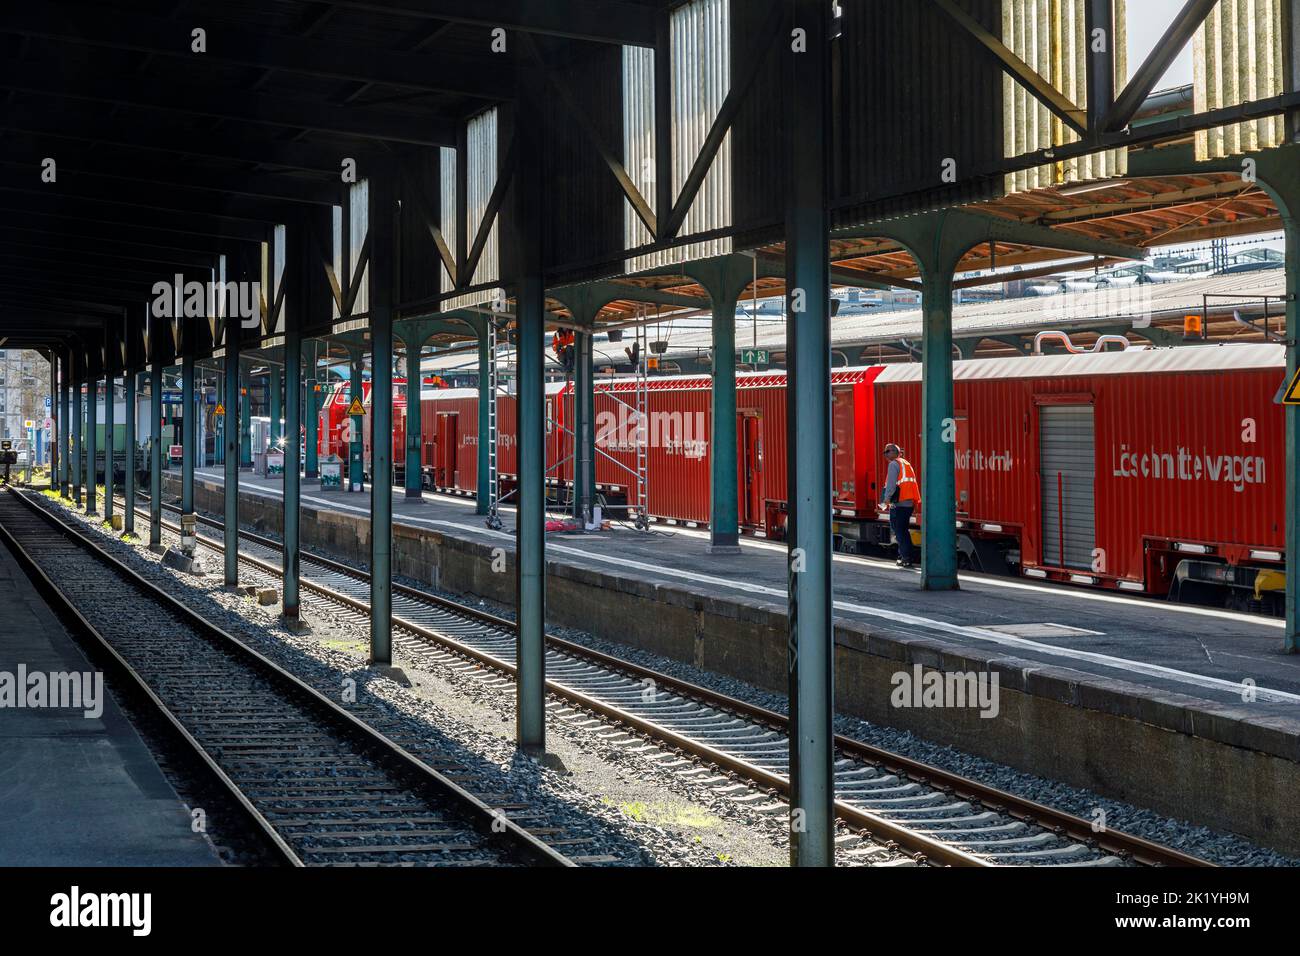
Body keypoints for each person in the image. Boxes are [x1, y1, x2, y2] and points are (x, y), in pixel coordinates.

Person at [879, 442, 920, 568]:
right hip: (908, 503)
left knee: (899, 531)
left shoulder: (893, 464)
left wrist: (886, 501)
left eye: (887, 451)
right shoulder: (905, 463)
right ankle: (905, 556)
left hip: (899, 503)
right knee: (903, 531)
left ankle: (906, 558)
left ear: (894, 452)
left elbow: (891, 486)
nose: (885, 454)